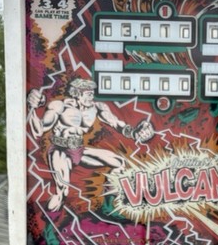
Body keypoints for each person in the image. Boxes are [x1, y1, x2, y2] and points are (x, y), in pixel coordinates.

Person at [26, 76, 154, 214]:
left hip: (79, 150)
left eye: (92, 93)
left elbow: (117, 124)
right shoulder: (60, 106)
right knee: (62, 191)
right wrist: (31, 108)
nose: (91, 96)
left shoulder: (97, 108)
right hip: (60, 150)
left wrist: (135, 133)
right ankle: (47, 217)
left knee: (120, 163)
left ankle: (108, 202)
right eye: (88, 93)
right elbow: (39, 129)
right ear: (77, 93)